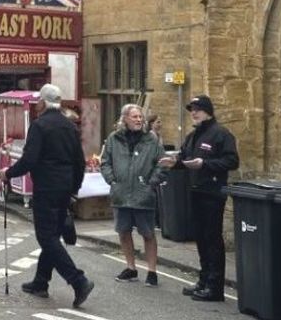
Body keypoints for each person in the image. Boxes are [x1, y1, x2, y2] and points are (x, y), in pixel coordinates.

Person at [0, 84, 95, 309]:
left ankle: (78, 281)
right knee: (53, 235)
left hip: (47, 189)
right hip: (65, 189)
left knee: (47, 237)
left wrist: (8, 173)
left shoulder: (39, 126)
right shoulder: (69, 126)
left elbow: (29, 159)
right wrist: (74, 189)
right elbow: (79, 161)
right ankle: (41, 282)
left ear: (41, 103)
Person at [159, 95, 239, 302]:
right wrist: (173, 163)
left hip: (212, 193)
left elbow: (232, 161)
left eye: (197, 109)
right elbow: (185, 158)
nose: (193, 113)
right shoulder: (193, 136)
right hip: (195, 192)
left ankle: (215, 287)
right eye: (192, 109)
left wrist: (205, 164)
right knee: (201, 239)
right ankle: (203, 281)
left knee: (212, 239)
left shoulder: (221, 134)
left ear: (208, 111)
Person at [100, 104, 167, 287]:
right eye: (135, 117)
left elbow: (162, 163)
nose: (139, 120)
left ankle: (152, 271)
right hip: (120, 194)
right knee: (123, 232)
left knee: (148, 234)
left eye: (140, 117)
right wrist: (111, 180)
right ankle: (131, 268)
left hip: (143, 195)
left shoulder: (151, 140)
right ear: (125, 119)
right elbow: (104, 162)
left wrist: (151, 182)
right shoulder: (114, 139)